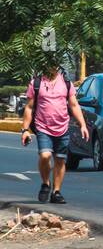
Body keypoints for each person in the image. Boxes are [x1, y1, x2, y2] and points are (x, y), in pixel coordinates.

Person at [19, 60, 89, 205]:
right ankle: (46, 183)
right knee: (45, 156)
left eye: (54, 64)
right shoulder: (36, 83)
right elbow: (29, 108)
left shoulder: (66, 83)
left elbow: (74, 105)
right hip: (43, 126)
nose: (51, 67)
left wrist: (82, 124)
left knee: (60, 159)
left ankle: (56, 192)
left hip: (63, 127)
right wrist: (25, 130)